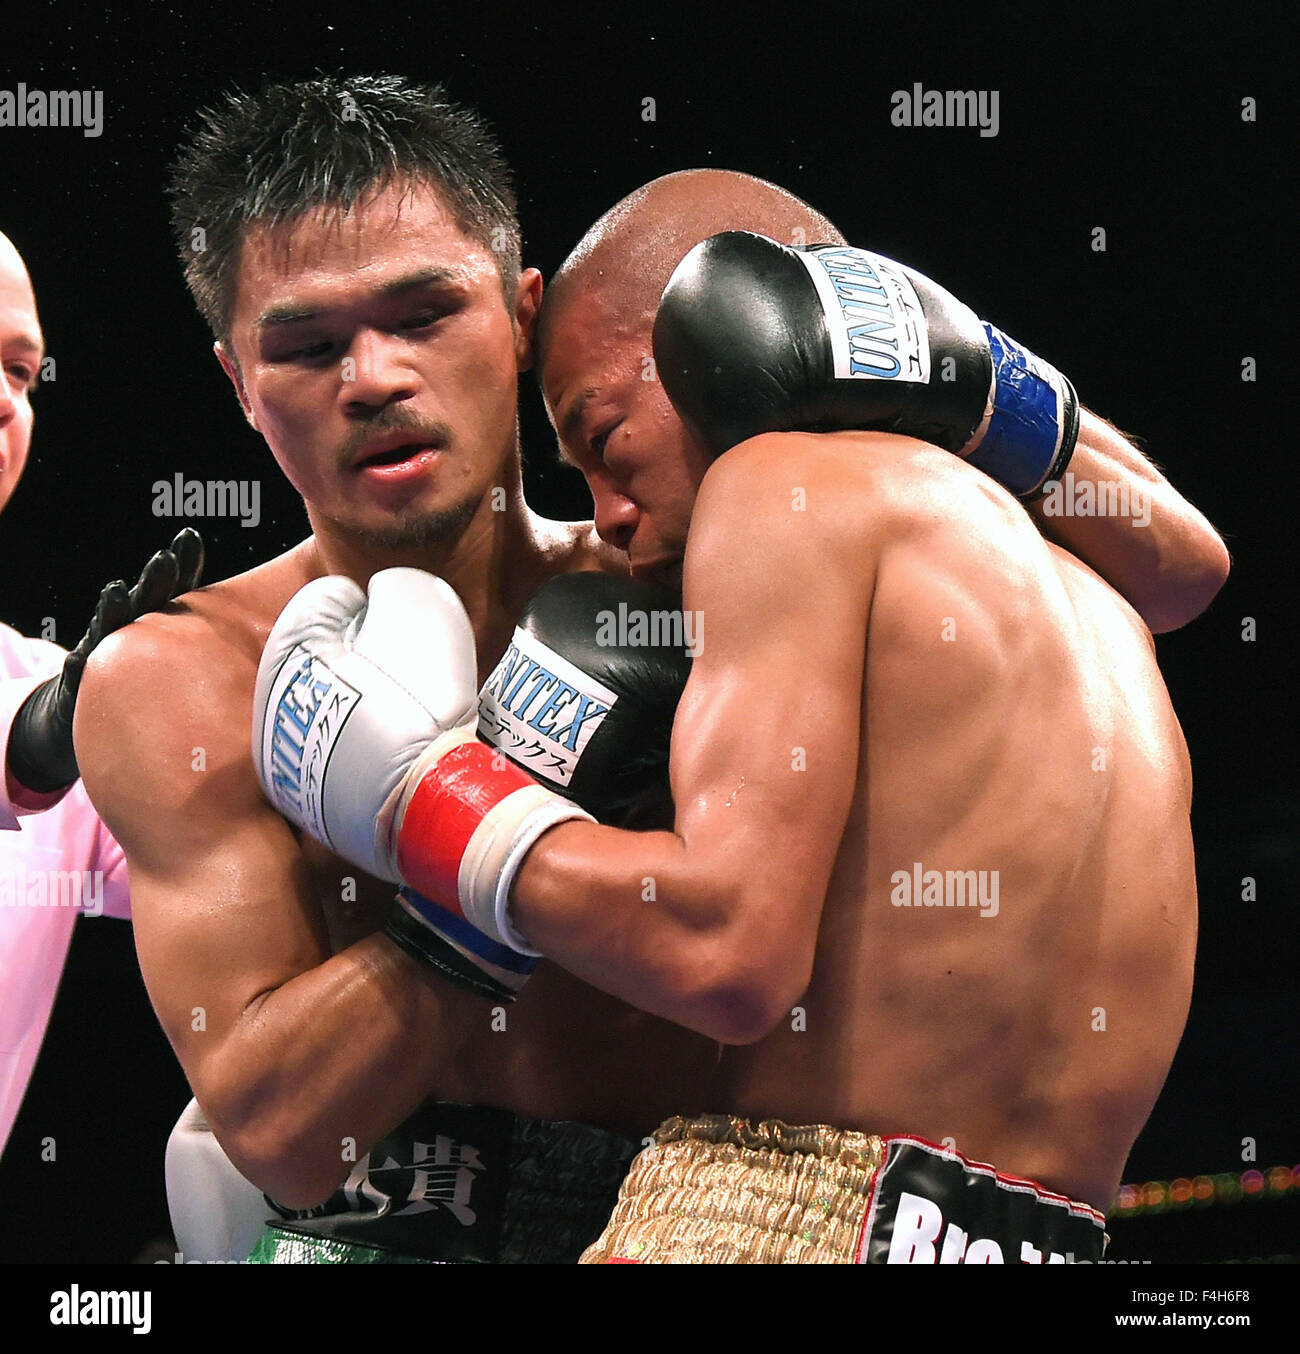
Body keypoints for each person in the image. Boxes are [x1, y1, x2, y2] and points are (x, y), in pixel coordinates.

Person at [255, 169, 1229, 1263]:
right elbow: (1199, 568)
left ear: (705, 348)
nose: (611, 521)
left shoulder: (780, 492)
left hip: (772, 1217)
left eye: (607, 442)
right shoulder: (1099, 595)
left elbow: (724, 951)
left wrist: (418, 798)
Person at [73, 76, 718, 1265]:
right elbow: (277, 1132)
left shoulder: (688, 584)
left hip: (698, 1217)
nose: (370, 376)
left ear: (524, 315)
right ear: (237, 384)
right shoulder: (176, 679)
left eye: (422, 315)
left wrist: (1001, 405)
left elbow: (1163, 584)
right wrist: (494, 835)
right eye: (309, 345)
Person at [0, 229, 200, 1164]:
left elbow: (217, 857)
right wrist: (27, 749)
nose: (6, 402)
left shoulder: (52, 689)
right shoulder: (43, 713)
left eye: (19, 370)